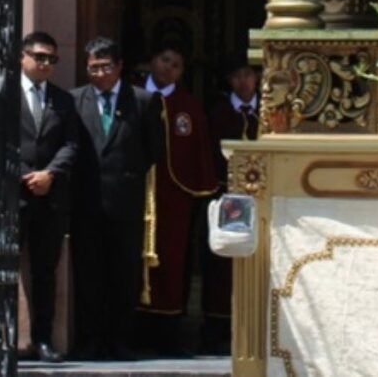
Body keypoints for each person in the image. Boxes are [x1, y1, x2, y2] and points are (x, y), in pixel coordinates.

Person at [70, 37, 160, 361]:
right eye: (93, 67)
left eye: (105, 66)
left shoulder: (143, 101)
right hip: (87, 201)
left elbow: (153, 151)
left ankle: (121, 340)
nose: (99, 74)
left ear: (119, 66)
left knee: (124, 275)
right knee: (89, 274)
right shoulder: (75, 99)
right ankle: (91, 339)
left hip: (125, 201)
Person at [136, 44, 217, 346]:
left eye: (177, 64)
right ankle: (131, 325)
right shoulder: (132, 97)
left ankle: (168, 326)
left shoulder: (189, 106)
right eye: (164, 60)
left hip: (174, 196)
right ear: (152, 61)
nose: (169, 68)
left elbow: (199, 153)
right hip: (136, 191)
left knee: (173, 257)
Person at [19, 31, 79, 364]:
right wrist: (24, 174)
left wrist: (49, 174)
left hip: (50, 197)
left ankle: (42, 339)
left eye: (51, 59)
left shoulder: (62, 100)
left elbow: (71, 144)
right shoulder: (2, 94)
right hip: (12, 197)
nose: (45, 64)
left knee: (45, 272)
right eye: (39, 56)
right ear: (22, 57)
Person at [201, 60, 260, 354]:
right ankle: (217, 326)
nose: (244, 81)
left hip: (263, 198)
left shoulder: (272, 112)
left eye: (248, 74)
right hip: (227, 196)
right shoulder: (218, 113)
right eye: (237, 75)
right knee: (221, 264)